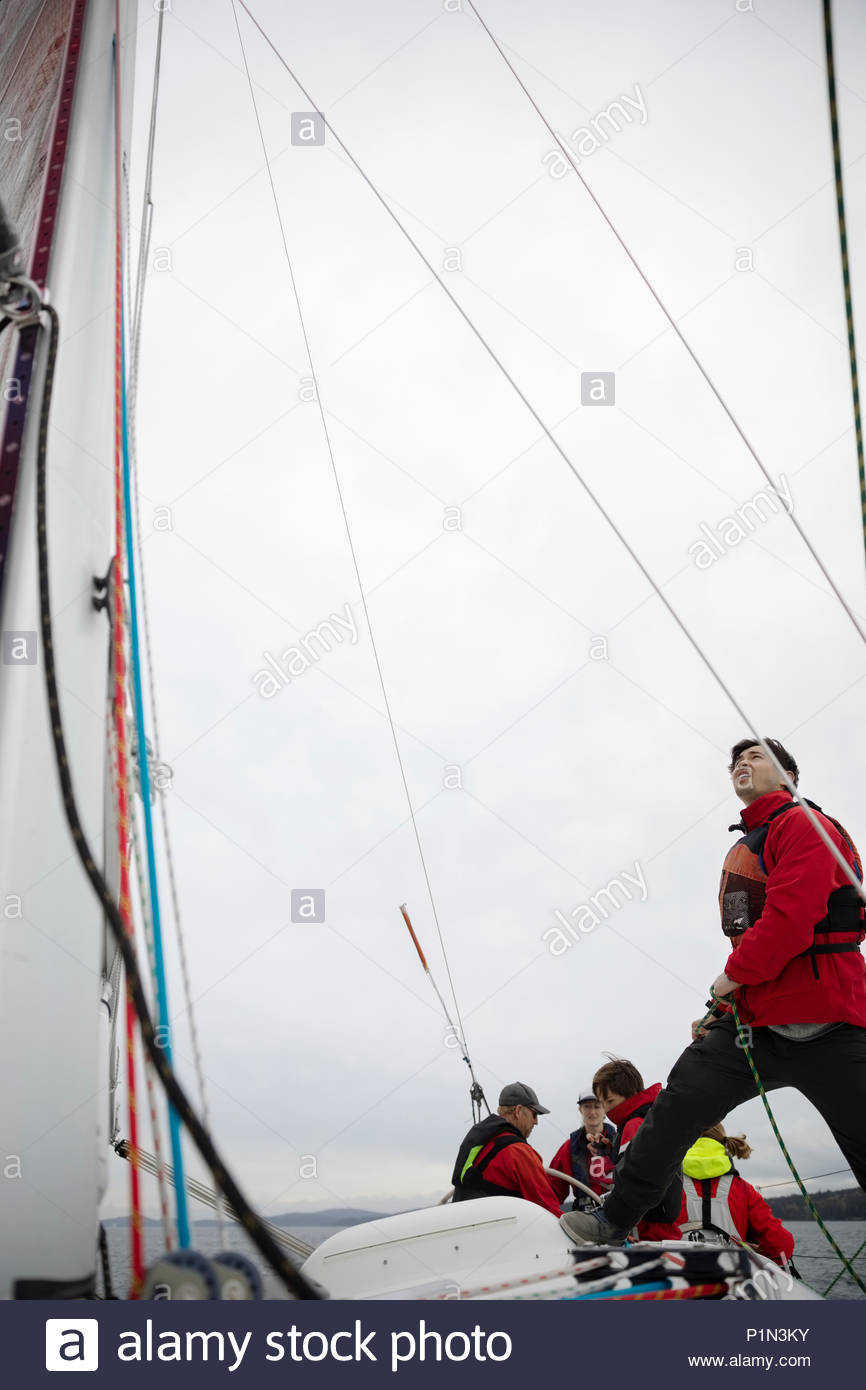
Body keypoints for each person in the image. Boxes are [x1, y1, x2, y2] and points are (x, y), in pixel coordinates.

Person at [561, 737, 866, 1247]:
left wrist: (731, 977)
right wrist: (726, 1002)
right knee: (674, 1111)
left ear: (788, 776)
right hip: (753, 1023)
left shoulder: (803, 825)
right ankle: (614, 1220)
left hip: (830, 1020)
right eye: (736, 761)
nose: (741, 764)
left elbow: (791, 920)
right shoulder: (753, 838)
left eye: (756, 757)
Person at [589, 1058, 682, 1239]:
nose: (607, 1109)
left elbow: (627, 1180)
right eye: (603, 1103)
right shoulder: (649, 1120)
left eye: (610, 1100)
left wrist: (600, 1158)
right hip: (662, 1225)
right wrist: (610, 1150)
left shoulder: (633, 1125)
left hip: (644, 1229)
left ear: (631, 1094)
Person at [679, 1124, 795, 1268]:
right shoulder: (744, 1189)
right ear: (724, 1143)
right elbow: (782, 1246)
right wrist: (756, 1252)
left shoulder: (668, 1184)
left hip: (676, 1273)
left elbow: (648, 1235)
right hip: (732, 1276)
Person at [451, 1082, 561, 1215]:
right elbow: (548, 1209)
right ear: (518, 1111)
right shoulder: (518, 1152)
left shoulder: (483, 1142)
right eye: (534, 1114)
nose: (536, 1122)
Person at [549, 1090, 616, 1209]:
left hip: (618, 1212)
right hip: (585, 1215)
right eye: (587, 1107)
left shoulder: (618, 1141)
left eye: (597, 1106)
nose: (592, 1112)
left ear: (605, 1110)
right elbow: (553, 1189)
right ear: (580, 1110)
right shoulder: (569, 1147)